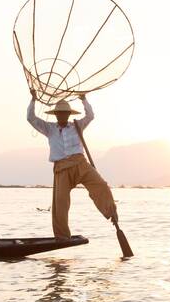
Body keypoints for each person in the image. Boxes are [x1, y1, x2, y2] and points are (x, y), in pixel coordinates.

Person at [26, 89, 118, 239]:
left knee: (101, 185)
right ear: (56, 115)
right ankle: (62, 236)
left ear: (68, 114)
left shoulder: (77, 125)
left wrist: (84, 99)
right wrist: (33, 99)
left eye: (65, 113)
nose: (62, 115)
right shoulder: (49, 129)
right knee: (60, 203)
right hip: (62, 168)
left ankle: (111, 213)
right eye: (60, 113)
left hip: (80, 163)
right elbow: (31, 118)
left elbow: (90, 116)